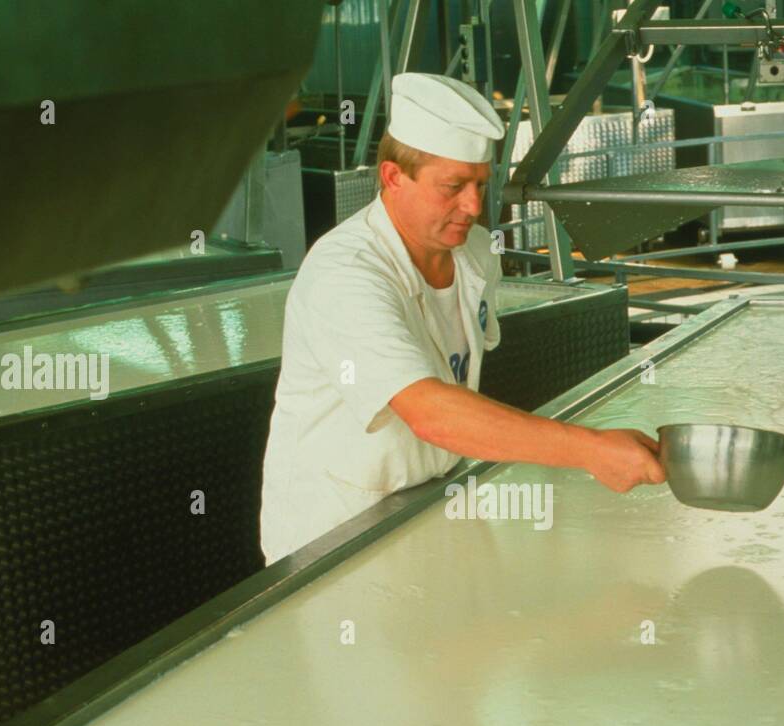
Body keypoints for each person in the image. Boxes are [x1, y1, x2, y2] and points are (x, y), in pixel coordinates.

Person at [259, 72, 664, 566]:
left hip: (430, 505)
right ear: (393, 177)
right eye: (452, 186)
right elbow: (430, 412)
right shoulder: (344, 273)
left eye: (479, 185)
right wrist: (592, 450)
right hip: (336, 530)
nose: (472, 206)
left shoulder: (474, 252)